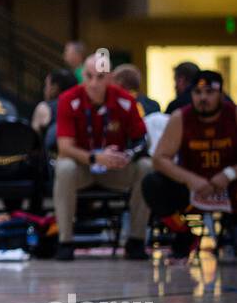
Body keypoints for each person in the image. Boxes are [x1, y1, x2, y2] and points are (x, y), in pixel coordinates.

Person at [53, 53, 151, 261]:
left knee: (146, 167)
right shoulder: (68, 99)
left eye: (100, 77)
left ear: (110, 78)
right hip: (83, 168)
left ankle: (136, 240)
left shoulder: (125, 100)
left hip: (115, 168)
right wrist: (95, 158)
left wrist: (127, 155)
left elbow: (142, 140)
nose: (94, 83)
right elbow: (64, 147)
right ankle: (65, 241)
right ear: (82, 76)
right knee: (64, 167)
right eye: (89, 76)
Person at [143, 70, 237, 258]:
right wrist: (190, 179)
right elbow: (159, 159)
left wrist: (228, 174)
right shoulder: (180, 117)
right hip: (193, 189)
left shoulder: (233, 115)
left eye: (209, 92)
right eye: (198, 93)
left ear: (220, 94)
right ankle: (184, 231)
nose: (203, 98)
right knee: (152, 184)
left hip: (230, 187)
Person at [30, 66, 77, 154]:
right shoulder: (82, 108)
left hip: (53, 162)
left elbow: (32, 143)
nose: (44, 90)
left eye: (46, 85)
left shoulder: (44, 107)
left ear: (54, 88)